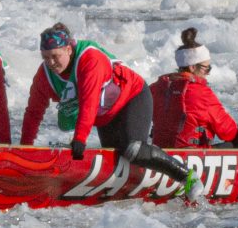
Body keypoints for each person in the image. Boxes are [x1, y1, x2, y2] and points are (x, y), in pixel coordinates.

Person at [20, 24, 192, 193]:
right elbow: (33, 113)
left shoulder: (90, 59)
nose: (50, 62)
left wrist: (80, 139)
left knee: (133, 149)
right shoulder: (44, 75)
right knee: (114, 160)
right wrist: (23, 149)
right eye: (45, 57)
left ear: (68, 50)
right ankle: (128, 190)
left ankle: (187, 176)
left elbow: (89, 102)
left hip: (133, 96)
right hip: (105, 114)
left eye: (55, 56)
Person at [151, 28, 238, 148]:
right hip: (191, 155)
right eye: (206, 68)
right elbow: (227, 131)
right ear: (193, 67)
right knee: (237, 144)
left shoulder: (156, 88)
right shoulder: (201, 93)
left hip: (160, 153)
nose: (208, 73)